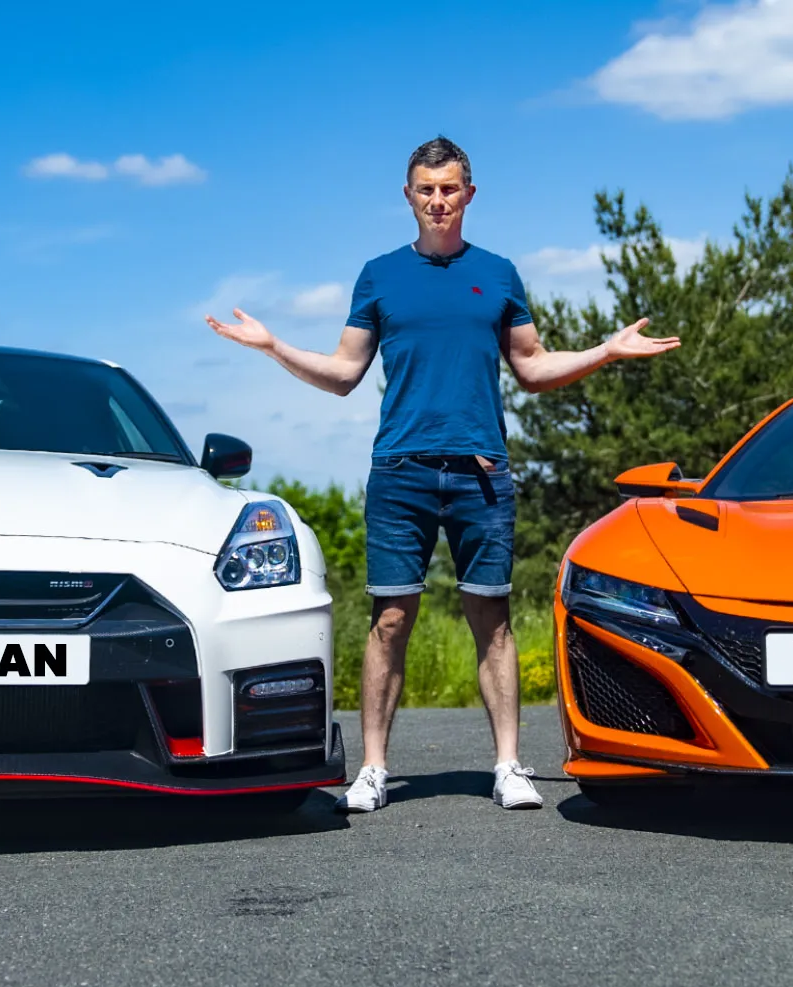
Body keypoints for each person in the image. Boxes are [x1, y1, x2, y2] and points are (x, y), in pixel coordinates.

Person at [205, 136, 681, 812]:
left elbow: (533, 367)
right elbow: (344, 374)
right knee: (390, 619)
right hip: (400, 472)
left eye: (449, 188)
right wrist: (274, 346)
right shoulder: (378, 275)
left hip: (481, 476)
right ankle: (372, 769)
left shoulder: (500, 273)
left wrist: (605, 350)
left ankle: (509, 765)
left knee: (491, 618)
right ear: (408, 195)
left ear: (469, 194)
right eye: (426, 189)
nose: (438, 199)